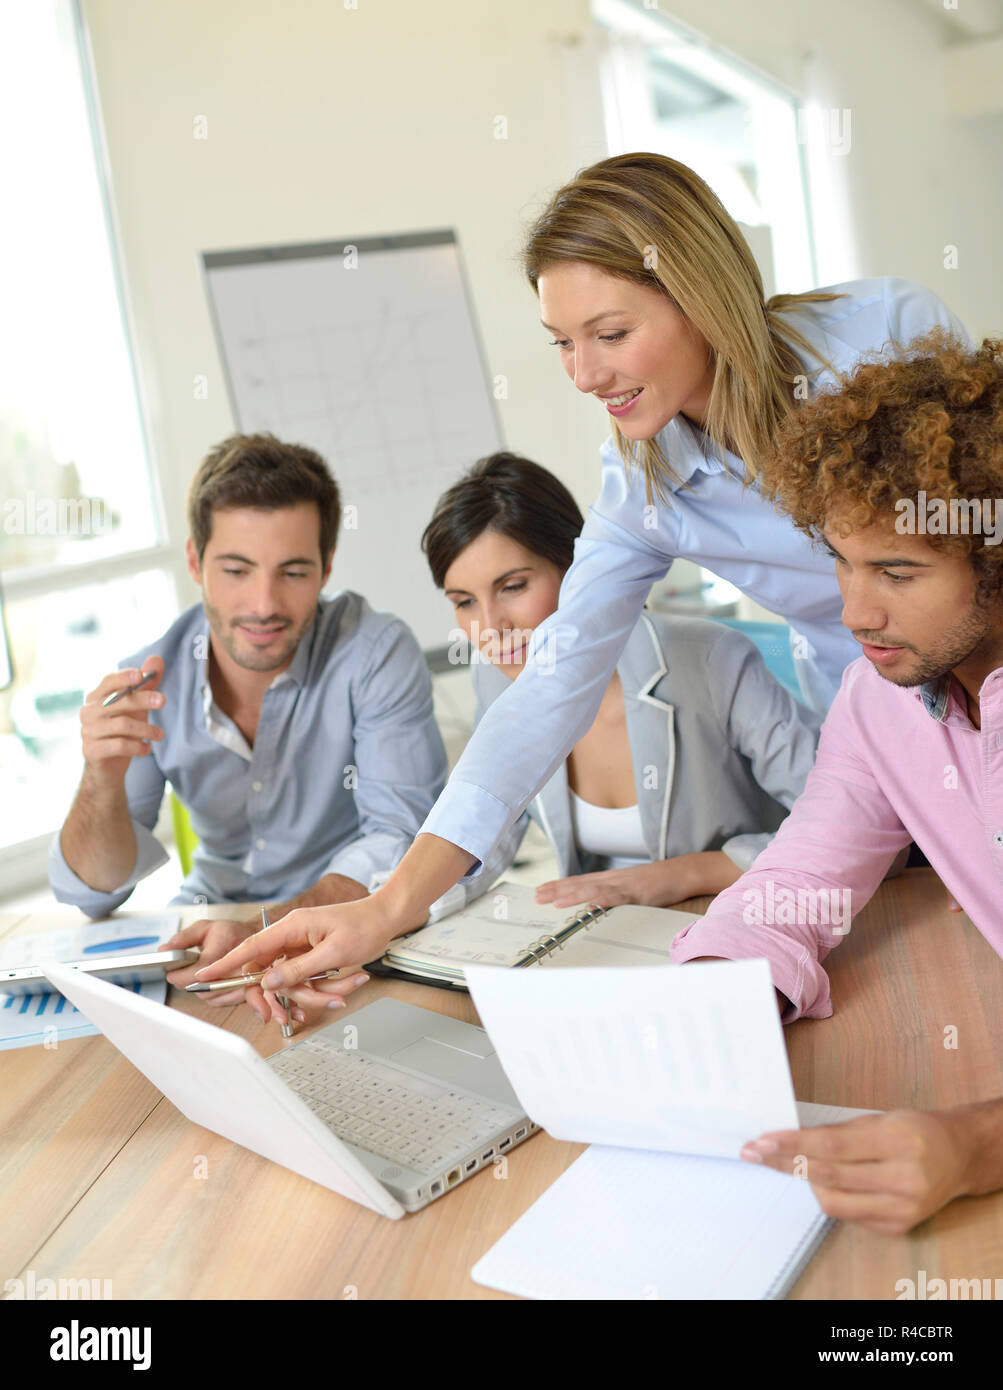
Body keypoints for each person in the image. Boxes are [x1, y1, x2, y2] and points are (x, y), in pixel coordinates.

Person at [195, 151, 969, 1028]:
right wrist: (386, 908)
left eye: (609, 334)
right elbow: (548, 688)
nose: (583, 375)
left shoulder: (882, 338)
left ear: (700, 295)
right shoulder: (642, 484)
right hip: (878, 720)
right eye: (562, 342)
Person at [659, 331, 1002, 1234]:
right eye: (841, 563)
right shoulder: (877, 696)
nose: (854, 612)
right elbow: (804, 876)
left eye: (896, 572)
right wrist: (720, 1002)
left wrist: (975, 1145)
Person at [50, 433, 448, 1010]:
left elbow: (400, 837)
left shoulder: (375, 652)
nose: (263, 604)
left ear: (327, 567)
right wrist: (100, 782)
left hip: (351, 918)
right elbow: (93, 893)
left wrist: (267, 933)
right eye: (236, 570)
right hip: (212, 929)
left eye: (292, 572)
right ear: (195, 561)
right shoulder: (147, 680)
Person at [423, 450, 820, 914]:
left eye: (513, 587)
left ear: (578, 571)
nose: (490, 628)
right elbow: (489, 827)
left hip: (740, 915)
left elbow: (848, 827)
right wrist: (401, 907)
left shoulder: (712, 661)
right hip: (605, 937)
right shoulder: (495, 678)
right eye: (464, 601)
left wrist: (682, 874)